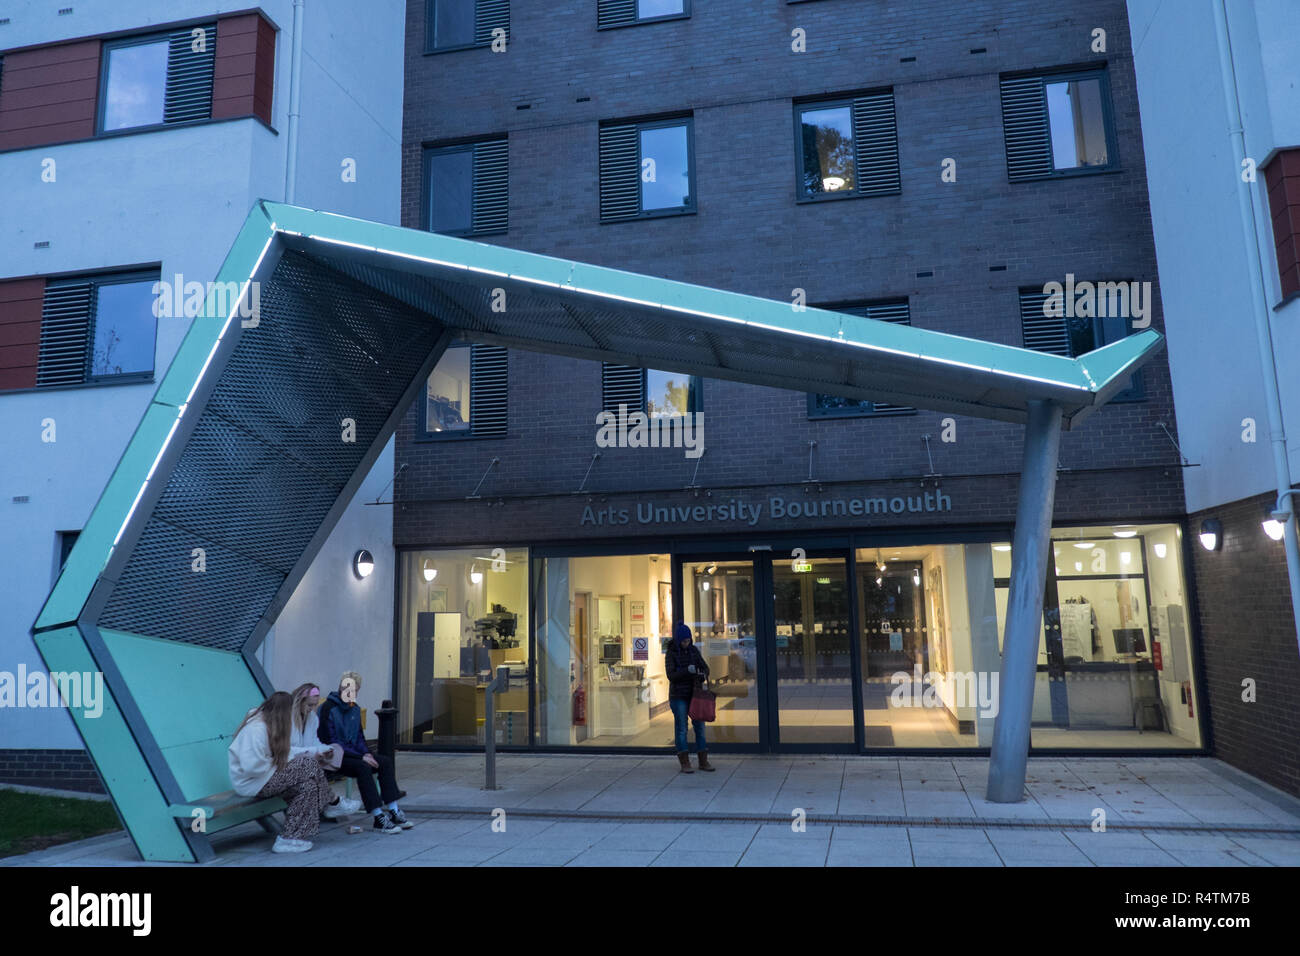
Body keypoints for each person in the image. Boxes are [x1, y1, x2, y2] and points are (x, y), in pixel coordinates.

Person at [227, 690, 334, 853]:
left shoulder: (270, 725)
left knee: (308, 786)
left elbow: (286, 754)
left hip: (265, 778)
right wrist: (279, 765)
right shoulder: (256, 729)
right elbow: (251, 766)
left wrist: (286, 761)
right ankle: (330, 802)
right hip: (253, 783)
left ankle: (290, 838)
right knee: (308, 764)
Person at [317, 671, 412, 833]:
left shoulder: (355, 709)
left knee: (384, 762)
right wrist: (361, 756)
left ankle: (394, 809)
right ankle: (378, 816)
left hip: (353, 754)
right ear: (341, 686)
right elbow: (331, 741)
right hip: (334, 757)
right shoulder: (328, 708)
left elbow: (359, 737)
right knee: (363, 767)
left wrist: (366, 753)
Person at [288, 682, 355, 817]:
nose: (312, 709)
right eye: (309, 705)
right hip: (290, 764)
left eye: (315, 705)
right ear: (299, 702)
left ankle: (331, 804)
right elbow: (287, 749)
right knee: (312, 769)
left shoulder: (312, 718)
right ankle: (334, 802)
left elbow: (313, 741)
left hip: (303, 761)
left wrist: (324, 749)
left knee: (320, 762)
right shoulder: (288, 719)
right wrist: (314, 752)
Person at [664, 623, 715, 773]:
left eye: (688, 640)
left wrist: (701, 674)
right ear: (679, 640)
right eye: (684, 641)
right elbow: (671, 675)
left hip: (694, 695)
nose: (687, 643)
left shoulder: (693, 651)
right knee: (682, 728)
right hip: (678, 696)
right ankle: (685, 762)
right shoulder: (671, 653)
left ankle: (703, 761)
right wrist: (687, 671)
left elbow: (706, 668)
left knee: (700, 727)